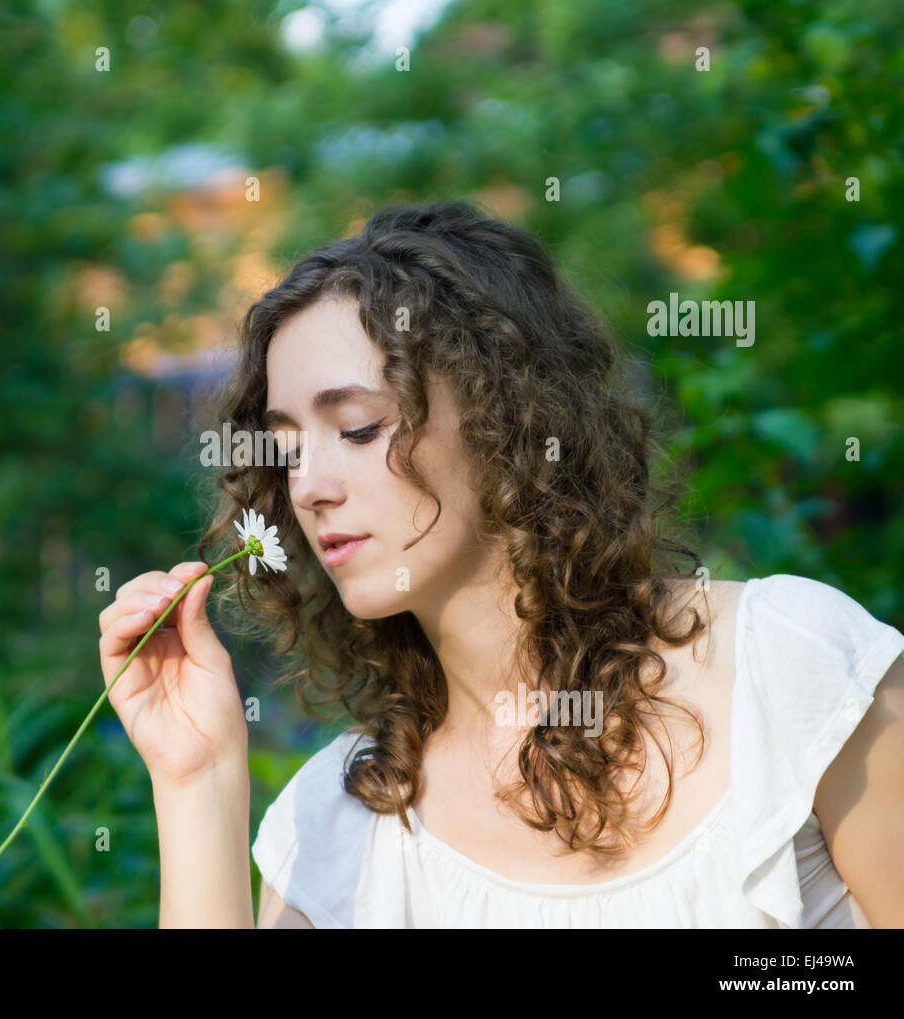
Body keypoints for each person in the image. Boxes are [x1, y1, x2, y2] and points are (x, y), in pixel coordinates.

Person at [97, 200, 904, 928]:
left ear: (504, 417)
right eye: (286, 449)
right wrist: (197, 781)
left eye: (358, 427)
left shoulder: (785, 667)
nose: (308, 487)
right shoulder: (340, 829)